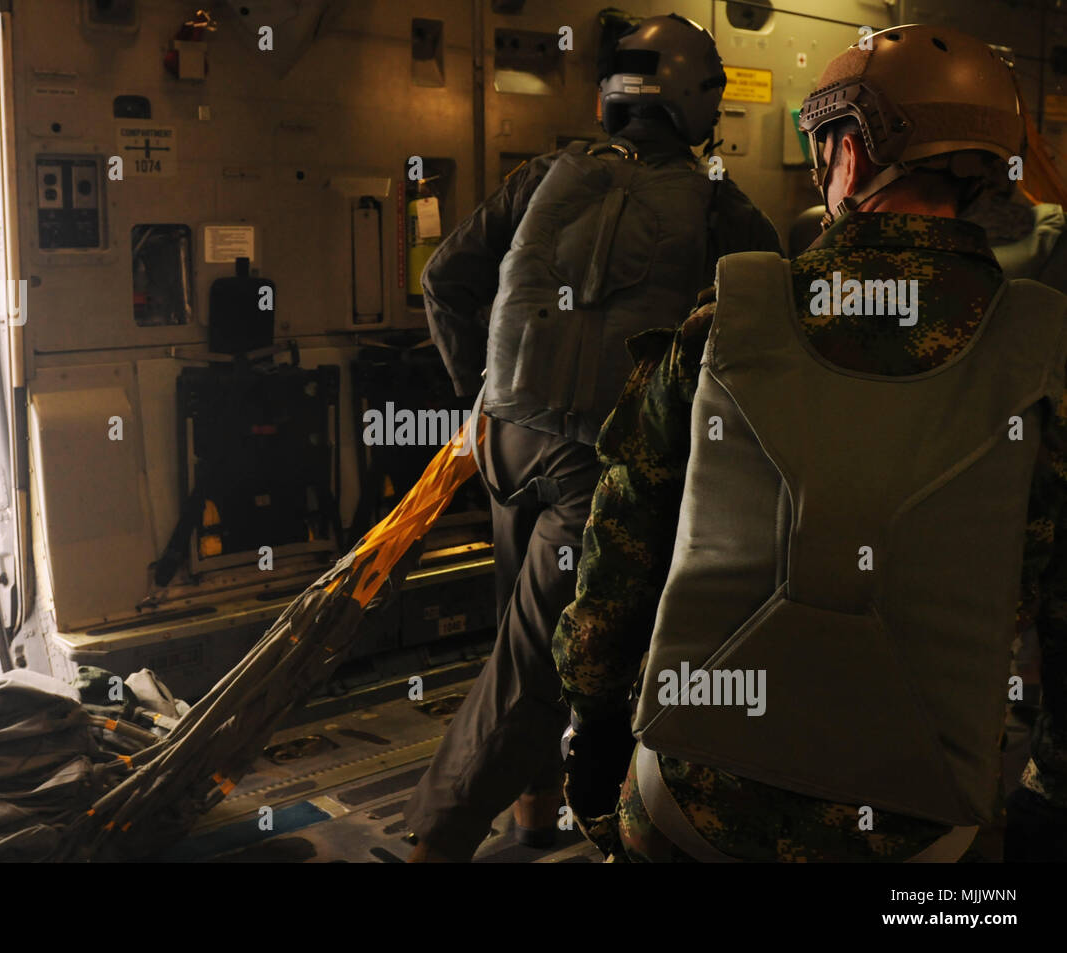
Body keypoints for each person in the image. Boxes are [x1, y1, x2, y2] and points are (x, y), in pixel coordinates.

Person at [554, 22, 1067, 862]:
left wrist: (593, 725)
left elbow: (616, 559)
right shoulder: (1045, 361)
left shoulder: (725, 323)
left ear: (854, 156)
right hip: (922, 847)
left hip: (686, 819)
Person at [404, 13, 780, 862]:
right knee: (540, 664)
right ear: (697, 100)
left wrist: (480, 393)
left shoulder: (543, 174)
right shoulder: (719, 206)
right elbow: (769, 334)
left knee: (520, 635)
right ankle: (438, 838)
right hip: (596, 465)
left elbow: (443, 277)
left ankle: (536, 817)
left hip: (506, 447)